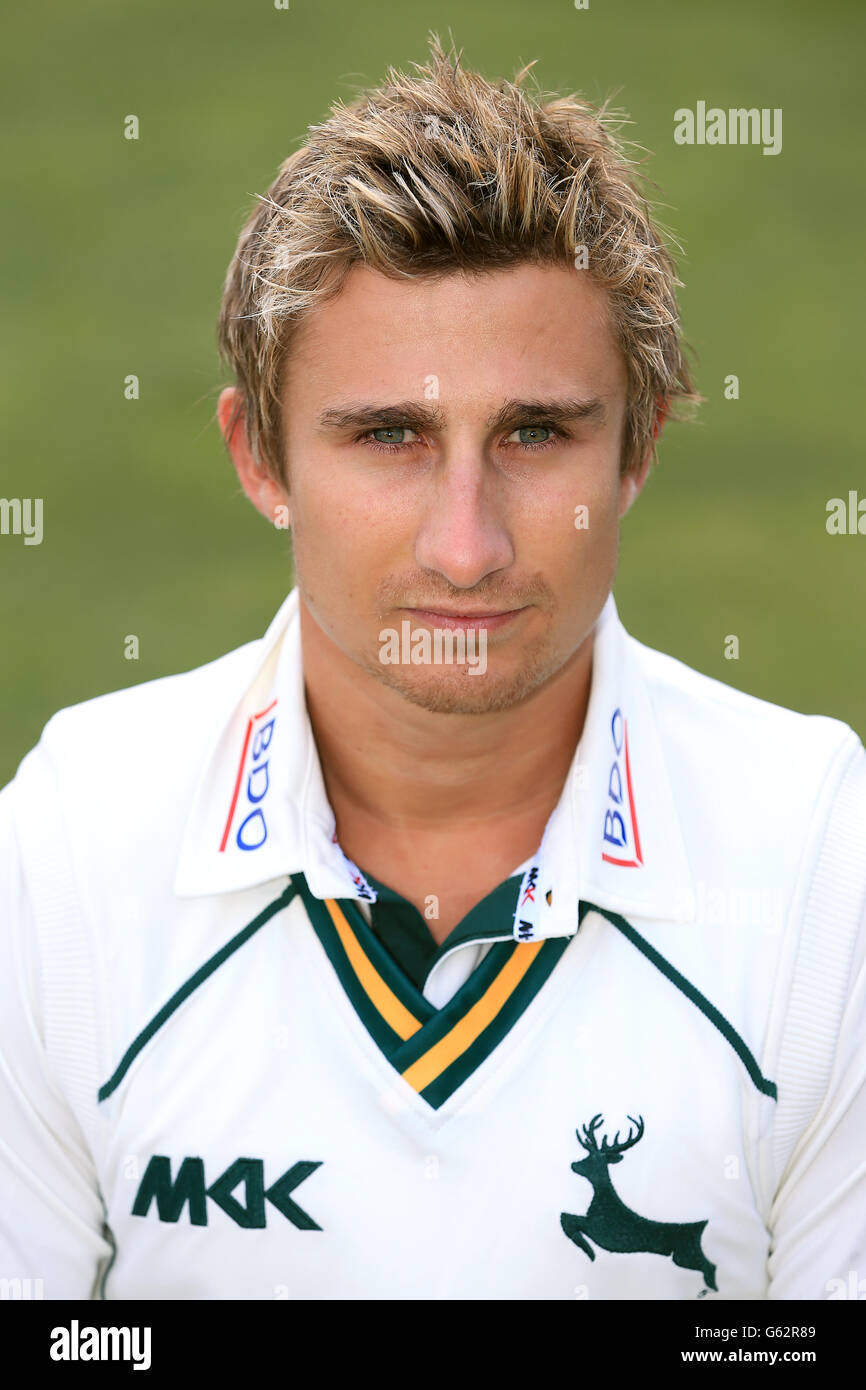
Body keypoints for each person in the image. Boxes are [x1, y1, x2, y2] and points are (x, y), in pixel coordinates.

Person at [1, 35, 863, 1301]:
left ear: (636, 449)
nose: (467, 547)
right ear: (259, 458)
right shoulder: (68, 850)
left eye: (534, 432)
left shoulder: (818, 867)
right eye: (391, 436)